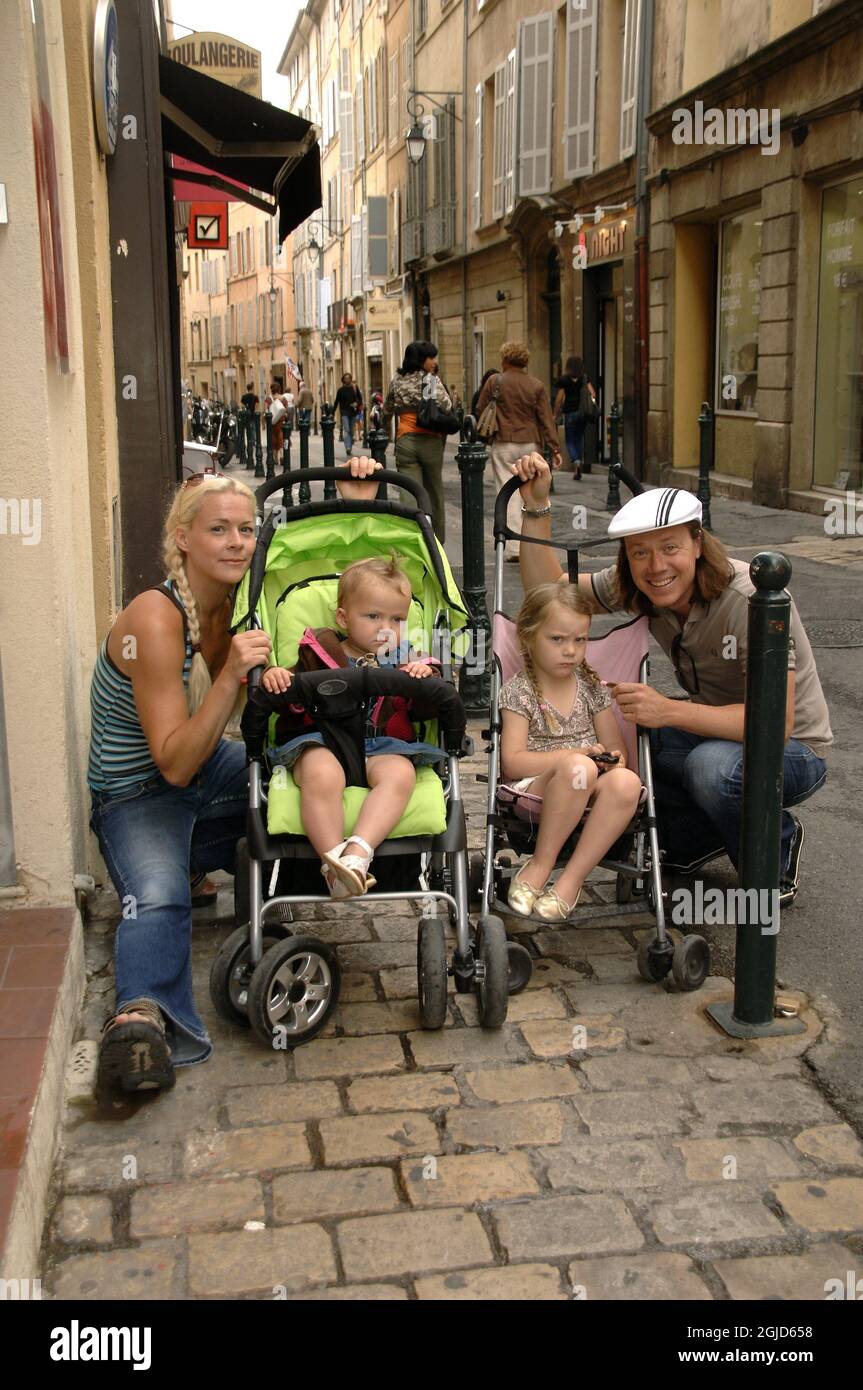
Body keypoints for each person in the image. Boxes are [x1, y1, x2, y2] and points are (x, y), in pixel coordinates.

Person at [87, 460, 382, 1097]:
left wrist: (356, 502)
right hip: (139, 792)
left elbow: (350, 599)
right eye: (219, 529)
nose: (237, 543)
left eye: (247, 530)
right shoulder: (155, 618)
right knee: (159, 893)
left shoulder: (242, 605)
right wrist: (228, 678)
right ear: (182, 539)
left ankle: (220, 860)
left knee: (295, 797)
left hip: (203, 777)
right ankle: (140, 1018)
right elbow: (172, 762)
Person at [512, 455, 832, 904]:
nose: (655, 565)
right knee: (632, 743)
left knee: (710, 769)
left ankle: (772, 852)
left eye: (670, 547)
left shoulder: (747, 600)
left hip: (792, 748)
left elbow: (773, 724)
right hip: (715, 729)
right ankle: (696, 838)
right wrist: (537, 506)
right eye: (639, 552)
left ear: (698, 543)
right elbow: (548, 594)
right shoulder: (642, 584)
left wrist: (668, 710)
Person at [260, 557, 445, 897]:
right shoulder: (318, 653)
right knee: (321, 774)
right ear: (343, 617)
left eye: (397, 619)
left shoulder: (407, 660)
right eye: (373, 616)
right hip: (323, 742)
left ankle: (358, 854)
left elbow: (427, 710)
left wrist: (425, 680)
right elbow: (291, 696)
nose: (386, 628)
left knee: (400, 775)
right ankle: (333, 868)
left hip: (382, 747)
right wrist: (276, 677)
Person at [500, 583, 642, 920]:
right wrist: (574, 756)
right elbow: (513, 761)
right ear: (528, 638)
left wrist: (613, 760)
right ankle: (541, 864)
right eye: (557, 639)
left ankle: (571, 880)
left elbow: (616, 748)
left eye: (580, 640)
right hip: (537, 786)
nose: (570, 651)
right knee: (578, 767)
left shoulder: (591, 688)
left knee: (626, 783)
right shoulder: (519, 692)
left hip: (592, 784)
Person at [475, 342, 562, 562]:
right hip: (530, 444)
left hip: (504, 443)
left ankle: (513, 549)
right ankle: (531, 544)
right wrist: (555, 446)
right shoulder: (536, 385)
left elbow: (479, 408)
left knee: (507, 494)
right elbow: (546, 418)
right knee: (531, 493)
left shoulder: (495, 382)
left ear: (505, 360)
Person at [383, 341, 453, 542]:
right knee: (434, 493)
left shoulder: (397, 380)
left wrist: (386, 433)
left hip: (405, 440)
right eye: (431, 357)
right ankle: (436, 540)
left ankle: (411, 538)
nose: (434, 361)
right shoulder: (430, 381)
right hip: (430, 441)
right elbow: (446, 406)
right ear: (421, 360)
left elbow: (387, 410)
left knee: (409, 493)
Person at [552, 355, 597, 480]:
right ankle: (579, 461)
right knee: (578, 439)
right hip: (582, 413)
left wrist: (555, 413)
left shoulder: (564, 380)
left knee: (570, 441)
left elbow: (559, 399)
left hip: (570, 413)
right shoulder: (584, 378)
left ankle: (576, 462)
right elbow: (592, 394)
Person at [334, 372, 363, 456]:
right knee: (346, 429)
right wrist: (332, 413)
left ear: (350, 379)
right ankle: (348, 447)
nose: (347, 379)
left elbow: (360, 399)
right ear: (343, 380)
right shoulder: (340, 390)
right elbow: (336, 402)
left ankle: (350, 446)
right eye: (345, 378)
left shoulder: (354, 388)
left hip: (353, 412)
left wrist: (356, 403)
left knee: (351, 430)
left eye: (348, 378)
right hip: (344, 412)